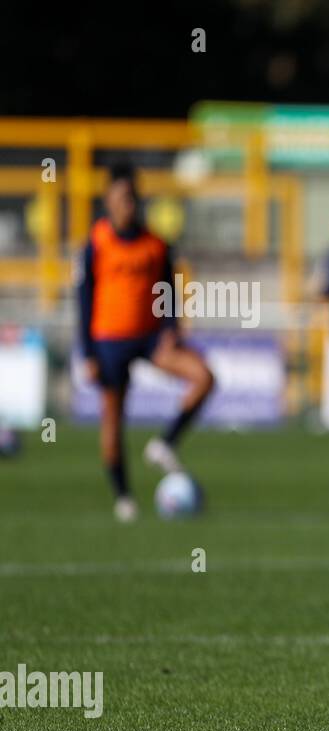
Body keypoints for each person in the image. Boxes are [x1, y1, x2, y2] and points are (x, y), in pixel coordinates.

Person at [77, 164, 214, 521]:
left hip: (151, 337)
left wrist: (172, 327)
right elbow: (84, 297)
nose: (128, 205)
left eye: (132, 198)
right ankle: (123, 496)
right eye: (121, 198)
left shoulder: (155, 244)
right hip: (109, 340)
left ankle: (165, 442)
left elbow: (167, 290)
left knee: (204, 377)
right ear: (108, 201)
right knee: (112, 418)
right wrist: (88, 352)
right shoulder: (97, 242)